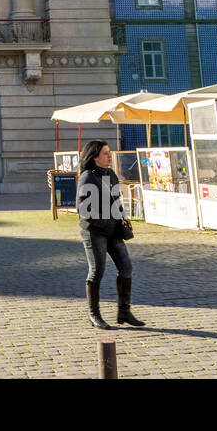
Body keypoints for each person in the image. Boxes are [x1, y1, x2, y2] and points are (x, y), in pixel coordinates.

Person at [77, 140, 144, 330]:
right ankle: (94, 315)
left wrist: (122, 216)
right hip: (94, 232)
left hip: (114, 231)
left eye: (109, 152)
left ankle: (124, 312)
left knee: (126, 267)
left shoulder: (110, 174)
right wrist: (103, 222)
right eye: (105, 153)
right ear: (95, 157)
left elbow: (116, 200)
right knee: (97, 271)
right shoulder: (88, 177)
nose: (109, 156)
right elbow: (83, 209)